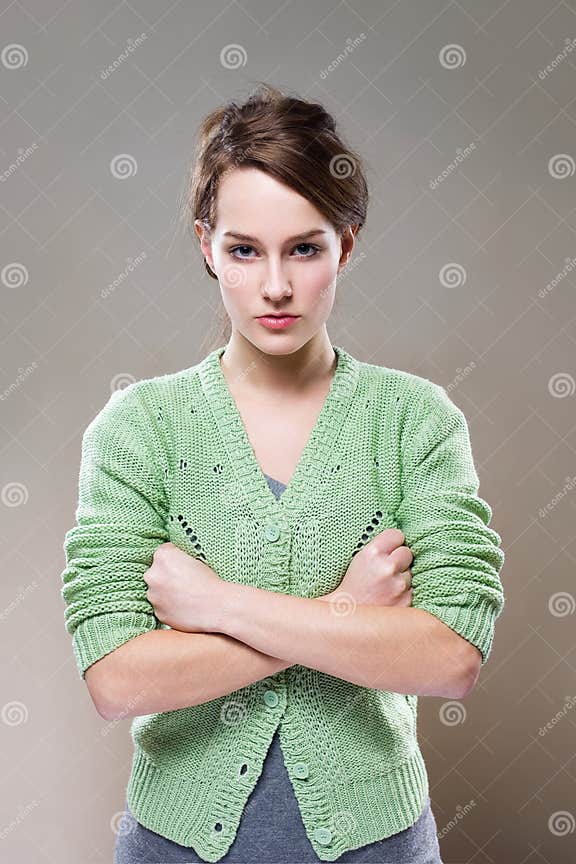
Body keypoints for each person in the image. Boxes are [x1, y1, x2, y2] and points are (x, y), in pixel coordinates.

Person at [61, 83, 505, 864]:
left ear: (347, 246)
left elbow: (452, 657)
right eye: (244, 249)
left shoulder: (414, 421)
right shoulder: (140, 430)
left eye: (305, 247)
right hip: (172, 846)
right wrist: (343, 611)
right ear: (207, 246)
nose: (275, 286)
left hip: (379, 844)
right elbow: (114, 679)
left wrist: (215, 604)